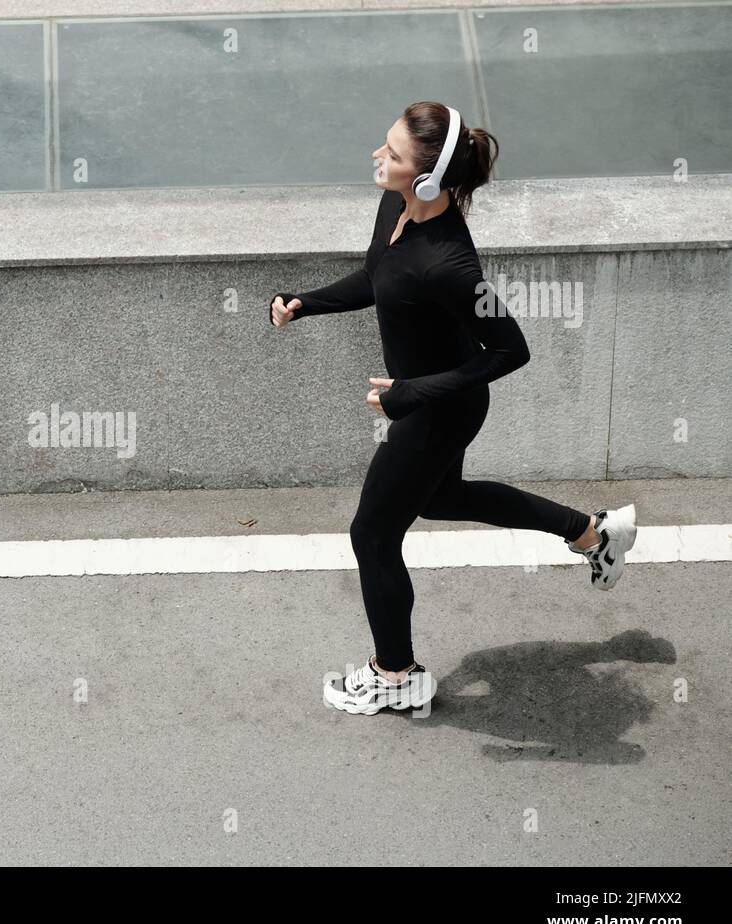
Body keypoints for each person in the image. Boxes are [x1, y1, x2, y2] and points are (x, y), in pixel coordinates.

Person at [267, 101, 638, 716]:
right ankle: (593, 533)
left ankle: (395, 674)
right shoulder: (397, 205)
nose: (376, 157)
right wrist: (305, 302)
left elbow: (510, 349)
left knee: (372, 534)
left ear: (428, 179)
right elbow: (375, 276)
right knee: (440, 499)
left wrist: (411, 393)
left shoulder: (451, 266)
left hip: (443, 409)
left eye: (391, 153)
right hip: (425, 403)